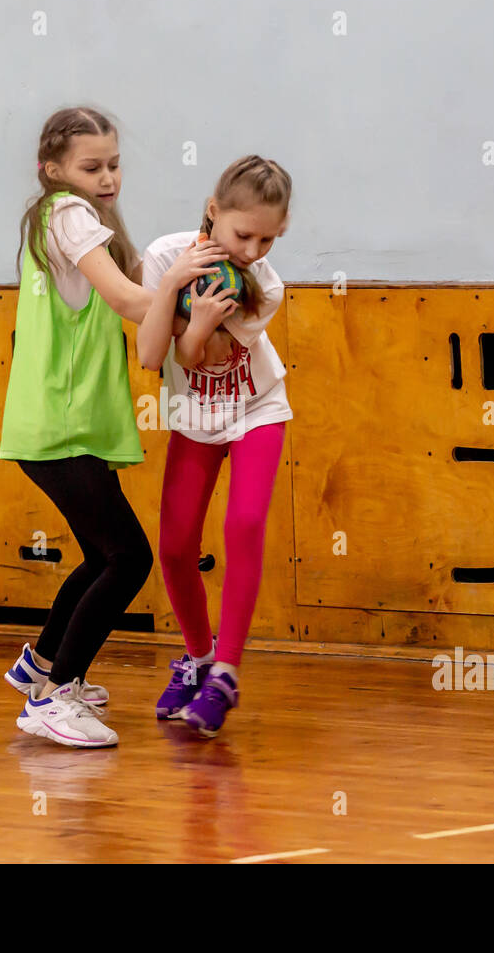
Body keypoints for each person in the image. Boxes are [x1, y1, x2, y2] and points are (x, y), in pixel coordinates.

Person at [0, 106, 228, 748]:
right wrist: (193, 301)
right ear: (53, 171)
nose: (108, 178)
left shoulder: (80, 221)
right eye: (91, 166)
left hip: (68, 425)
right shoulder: (66, 214)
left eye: (114, 164)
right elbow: (131, 301)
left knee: (102, 554)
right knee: (128, 558)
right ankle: (57, 696)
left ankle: (41, 666)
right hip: (59, 425)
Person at [136, 155, 294, 737]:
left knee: (244, 525)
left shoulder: (266, 286)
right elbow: (153, 355)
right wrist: (176, 282)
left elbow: (202, 355)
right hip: (192, 415)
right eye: (242, 234)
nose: (253, 250)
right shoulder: (160, 256)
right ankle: (197, 658)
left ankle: (226, 670)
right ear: (212, 212)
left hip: (256, 408)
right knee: (175, 548)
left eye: (268, 238)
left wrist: (198, 324)